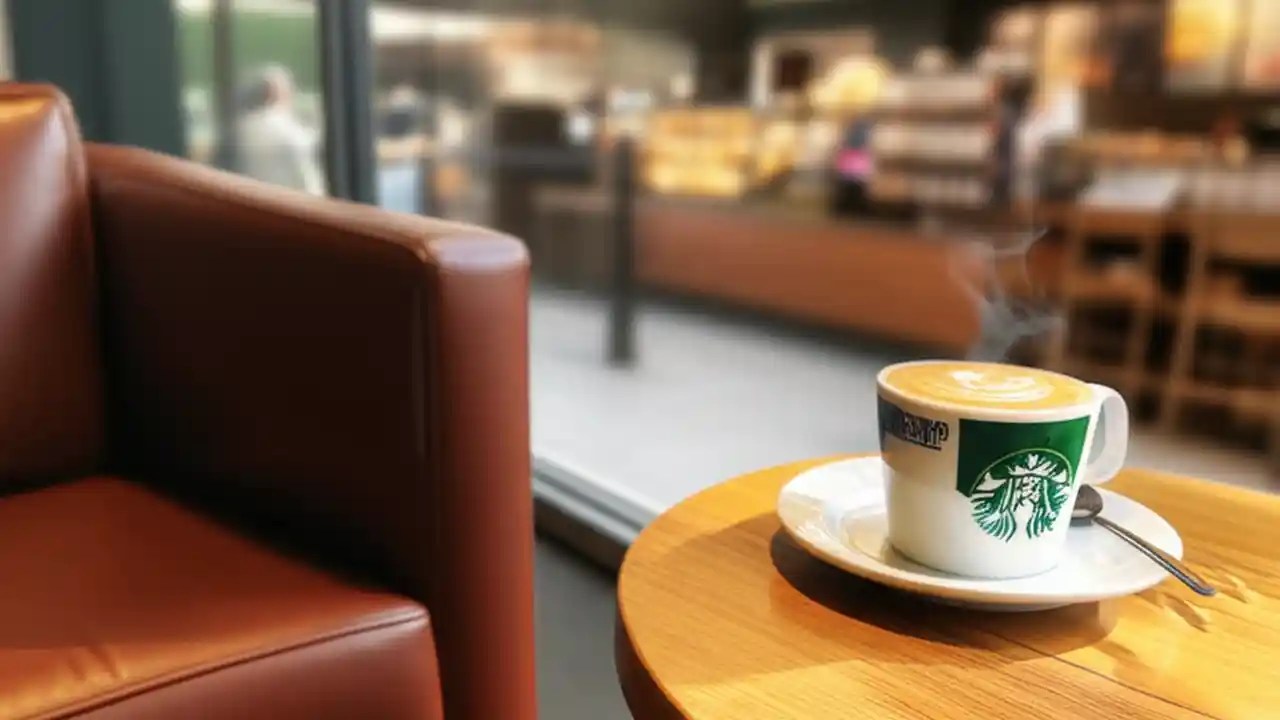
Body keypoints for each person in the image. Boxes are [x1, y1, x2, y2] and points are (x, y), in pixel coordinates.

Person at [235, 65, 324, 195]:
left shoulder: (244, 128)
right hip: (289, 200)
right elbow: (307, 177)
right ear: (278, 92)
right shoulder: (287, 129)